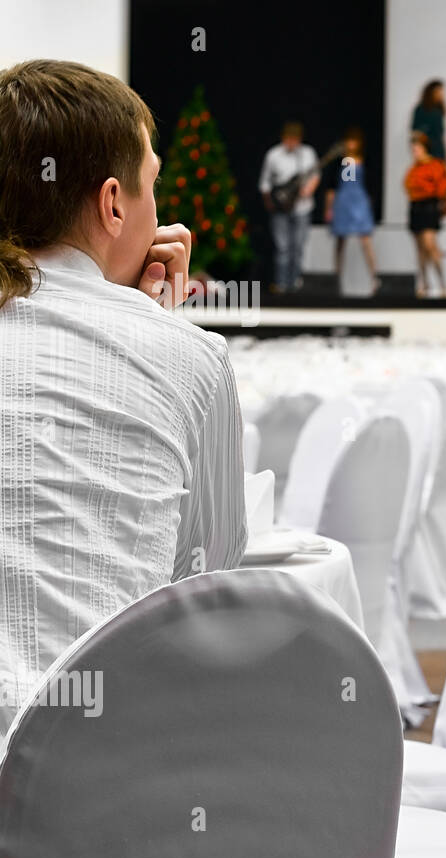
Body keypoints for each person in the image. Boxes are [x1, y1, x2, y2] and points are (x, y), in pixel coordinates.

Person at [0, 60, 247, 732]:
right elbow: (206, 577)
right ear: (114, 203)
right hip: (89, 782)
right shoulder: (190, 357)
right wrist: (155, 328)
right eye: (152, 188)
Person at [259, 121, 319, 294]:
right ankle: (281, 284)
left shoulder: (307, 154)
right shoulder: (274, 155)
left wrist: (309, 189)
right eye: (288, 139)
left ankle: (295, 282)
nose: (291, 143)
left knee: (298, 246)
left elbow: (315, 175)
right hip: (280, 208)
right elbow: (265, 182)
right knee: (283, 247)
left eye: (295, 139)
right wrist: (270, 202)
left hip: (302, 207)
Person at [325, 126, 379, 296]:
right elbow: (332, 187)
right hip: (343, 202)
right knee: (341, 241)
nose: (351, 144)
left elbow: (370, 185)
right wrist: (329, 208)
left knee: (365, 240)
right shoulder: (340, 162)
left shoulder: (364, 160)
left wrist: (369, 204)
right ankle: (337, 277)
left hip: (359, 201)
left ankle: (374, 277)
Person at [405, 132, 446, 298]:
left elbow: (443, 186)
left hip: (429, 206)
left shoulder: (435, 165)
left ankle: (442, 283)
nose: (414, 151)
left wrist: (441, 201)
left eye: (416, 148)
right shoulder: (413, 169)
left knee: (430, 244)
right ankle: (424, 283)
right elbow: (409, 187)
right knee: (420, 250)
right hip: (416, 207)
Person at [411, 80, 446, 163]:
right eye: (437, 91)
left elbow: (440, 135)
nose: (440, 94)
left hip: (439, 151)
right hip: (426, 151)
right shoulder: (421, 109)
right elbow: (416, 130)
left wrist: (445, 155)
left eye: (441, 92)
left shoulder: (438, 110)